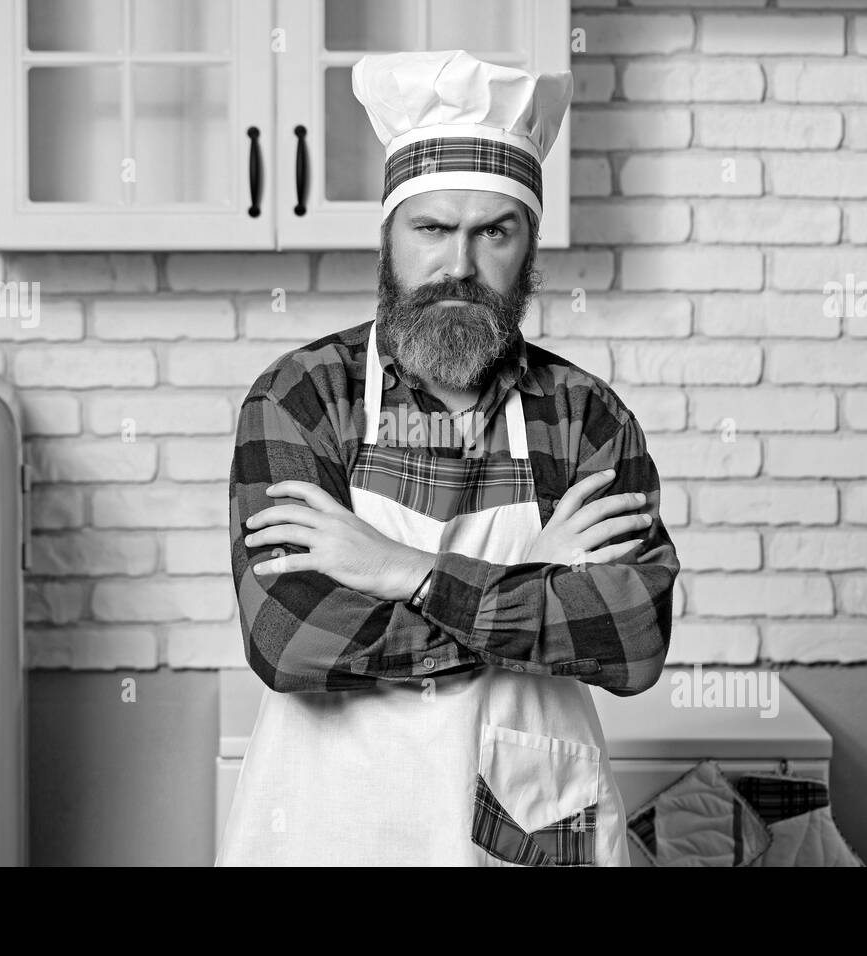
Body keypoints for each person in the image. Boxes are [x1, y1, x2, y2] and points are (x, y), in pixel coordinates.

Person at [215, 49, 680, 867]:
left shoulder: (583, 417)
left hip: (526, 831)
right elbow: (291, 642)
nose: (458, 265)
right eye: (432, 228)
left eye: (492, 232)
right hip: (332, 833)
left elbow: (634, 639)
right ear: (388, 238)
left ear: (529, 245)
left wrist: (407, 572)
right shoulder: (301, 399)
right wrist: (533, 589)